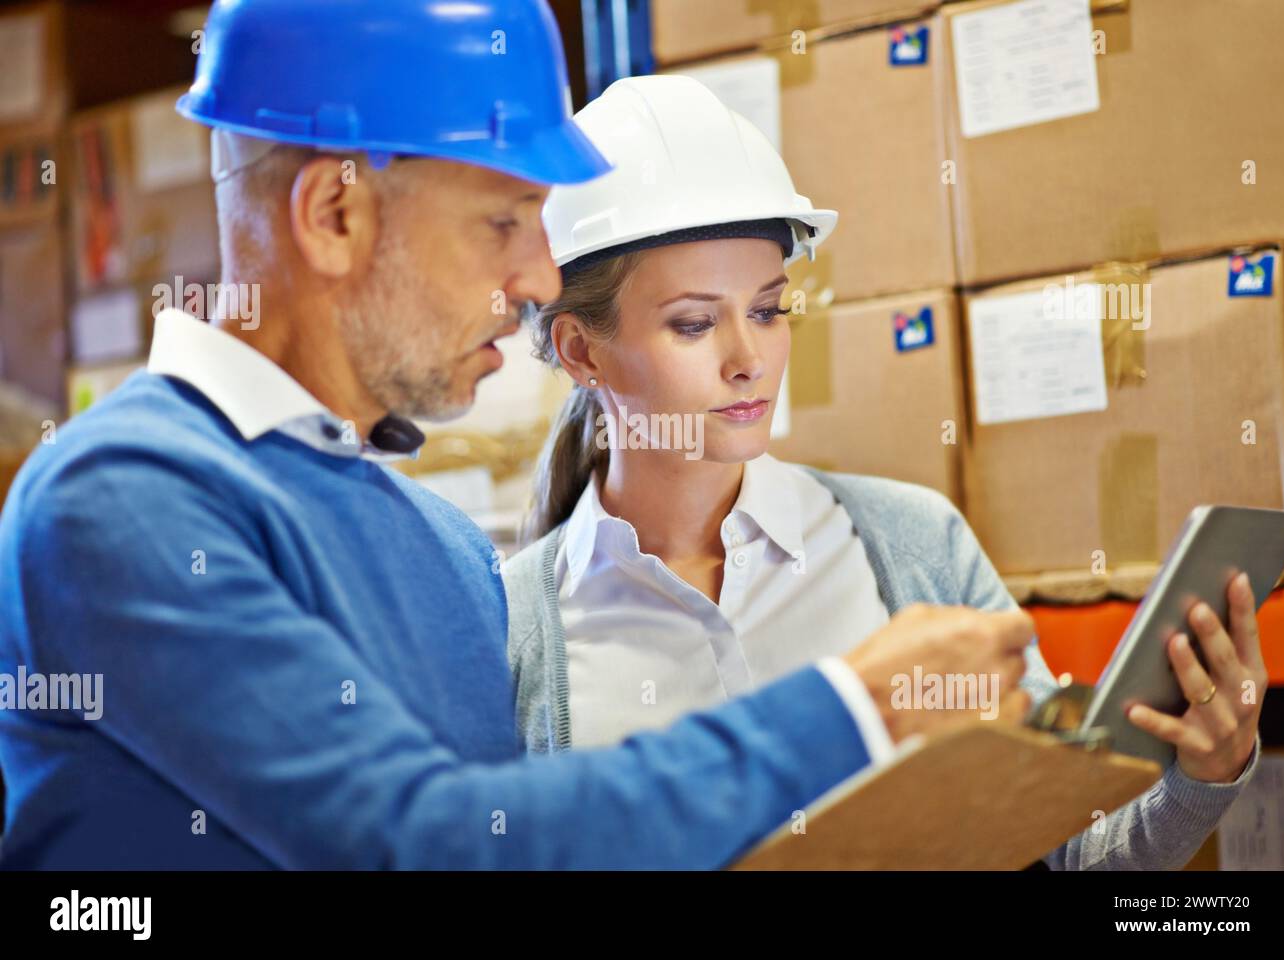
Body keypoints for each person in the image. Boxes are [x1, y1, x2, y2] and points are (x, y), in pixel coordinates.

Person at [0, 0, 1032, 869]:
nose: (539, 279)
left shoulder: (446, 550)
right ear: (334, 216)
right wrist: (851, 711)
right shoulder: (122, 496)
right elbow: (422, 845)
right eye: (504, 220)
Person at [503, 74, 1266, 870]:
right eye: (694, 324)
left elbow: (1074, 848)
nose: (749, 359)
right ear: (581, 351)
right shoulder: (516, 634)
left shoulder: (915, 544)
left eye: (767, 310)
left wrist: (1203, 774)